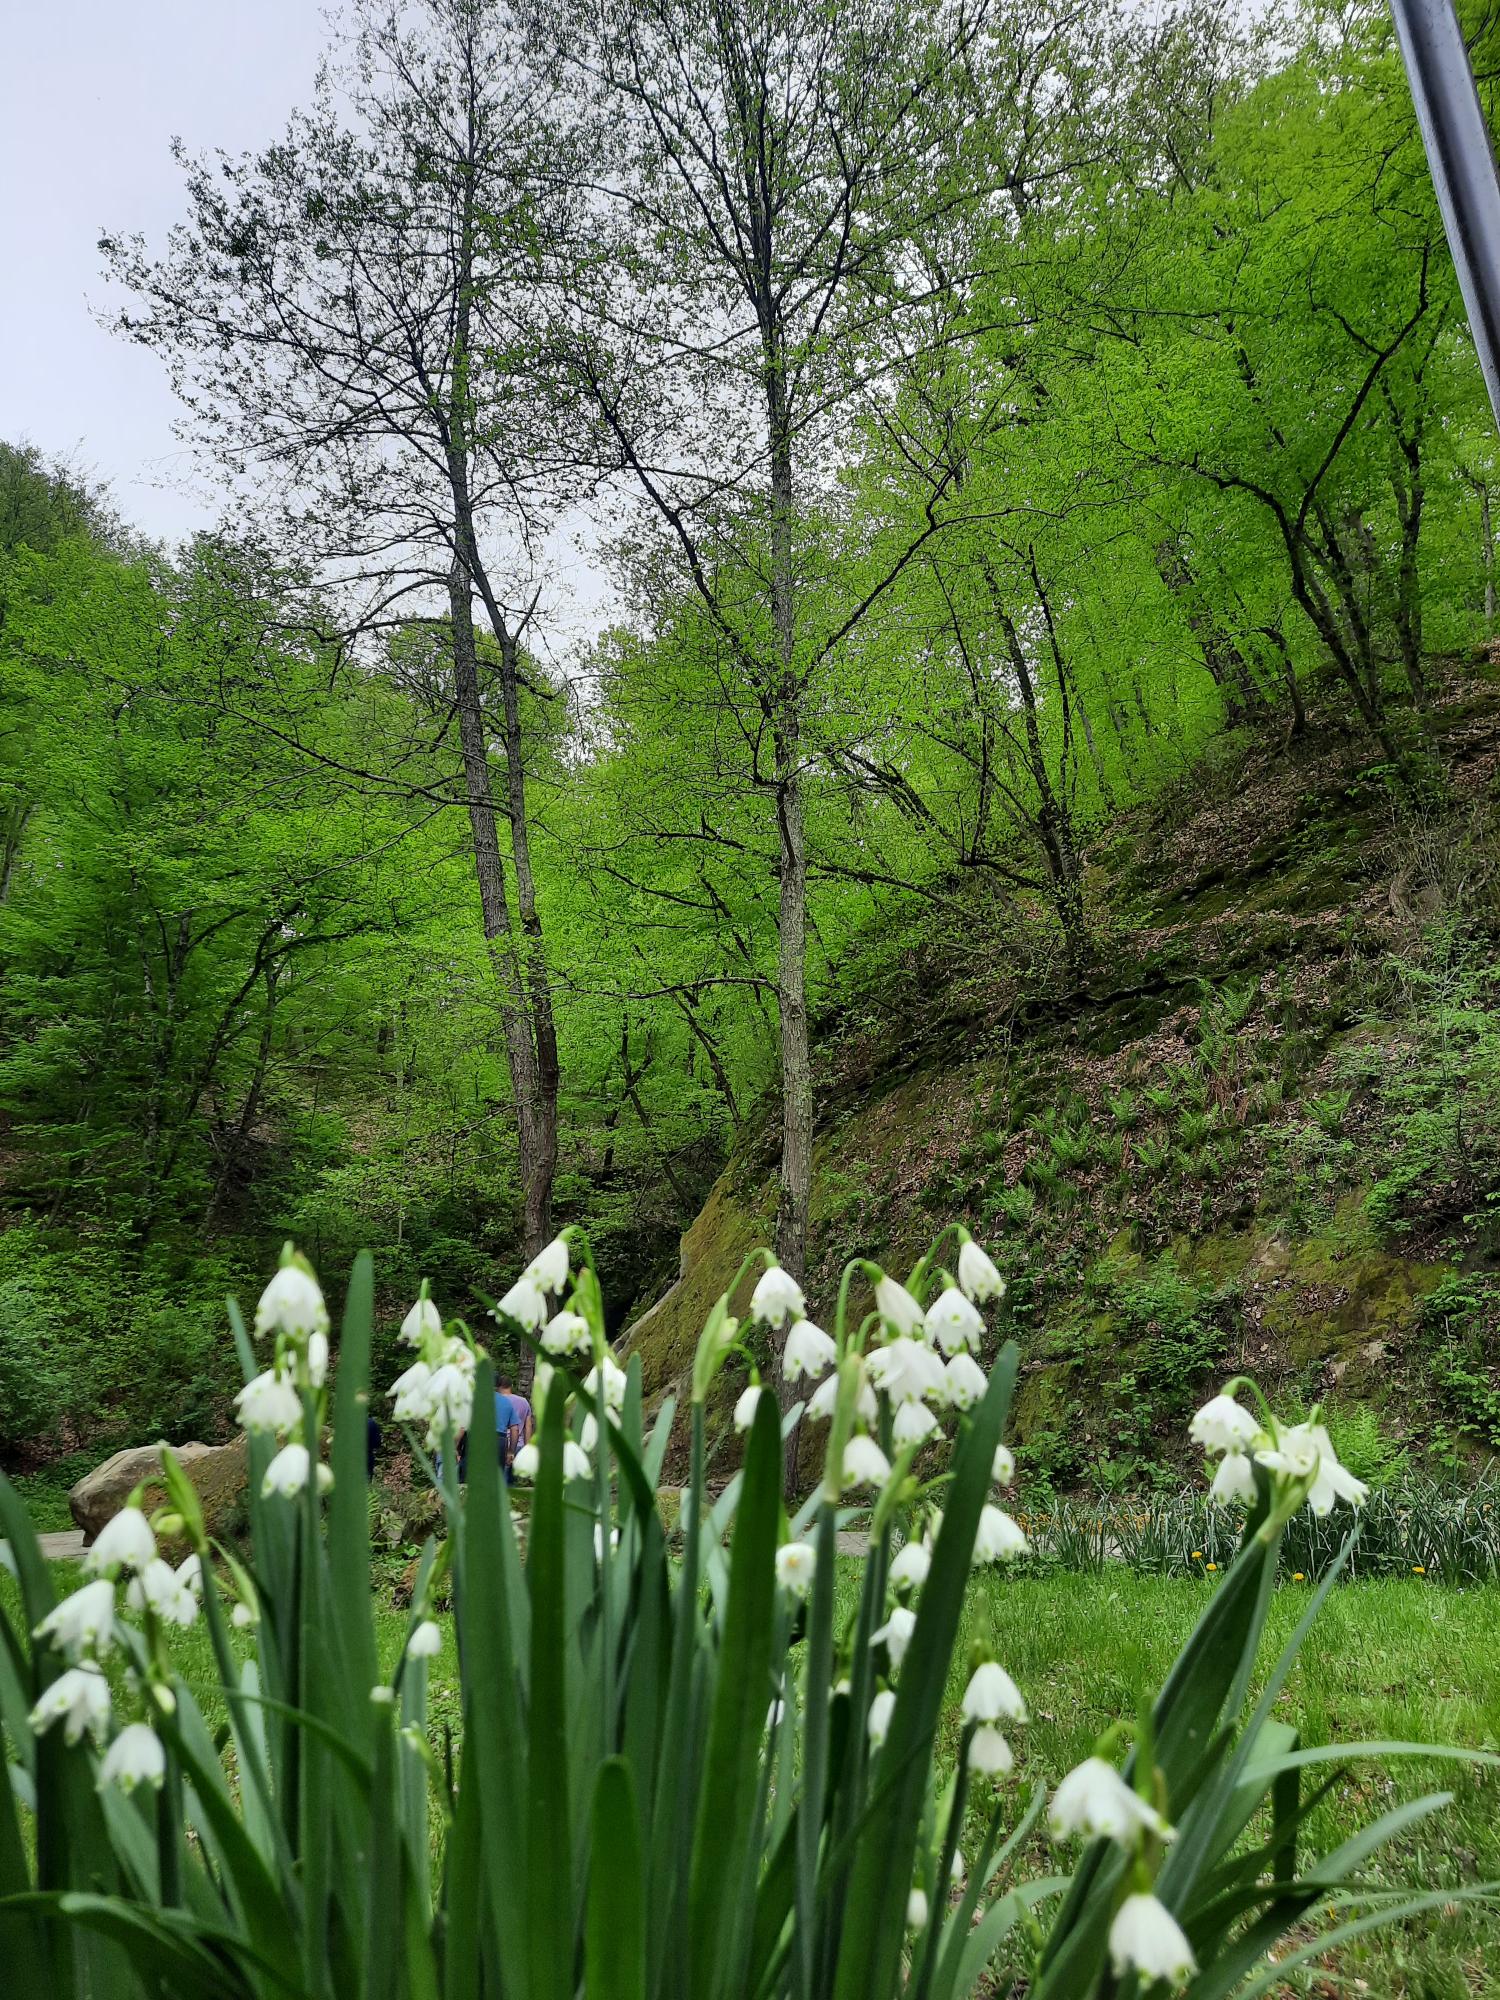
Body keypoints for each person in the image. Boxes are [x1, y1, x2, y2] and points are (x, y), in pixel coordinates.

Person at [497, 1371, 532, 1479]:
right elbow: (528, 1427)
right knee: (512, 1481)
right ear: (511, 1386)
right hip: (519, 1445)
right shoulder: (524, 1402)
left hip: (500, 1443)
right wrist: (528, 1447)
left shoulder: (498, 1401)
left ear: (498, 1386)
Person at [493, 1378, 516, 1481]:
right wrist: (511, 1451)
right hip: (499, 1440)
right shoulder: (506, 1402)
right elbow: (514, 1429)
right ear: (498, 1386)